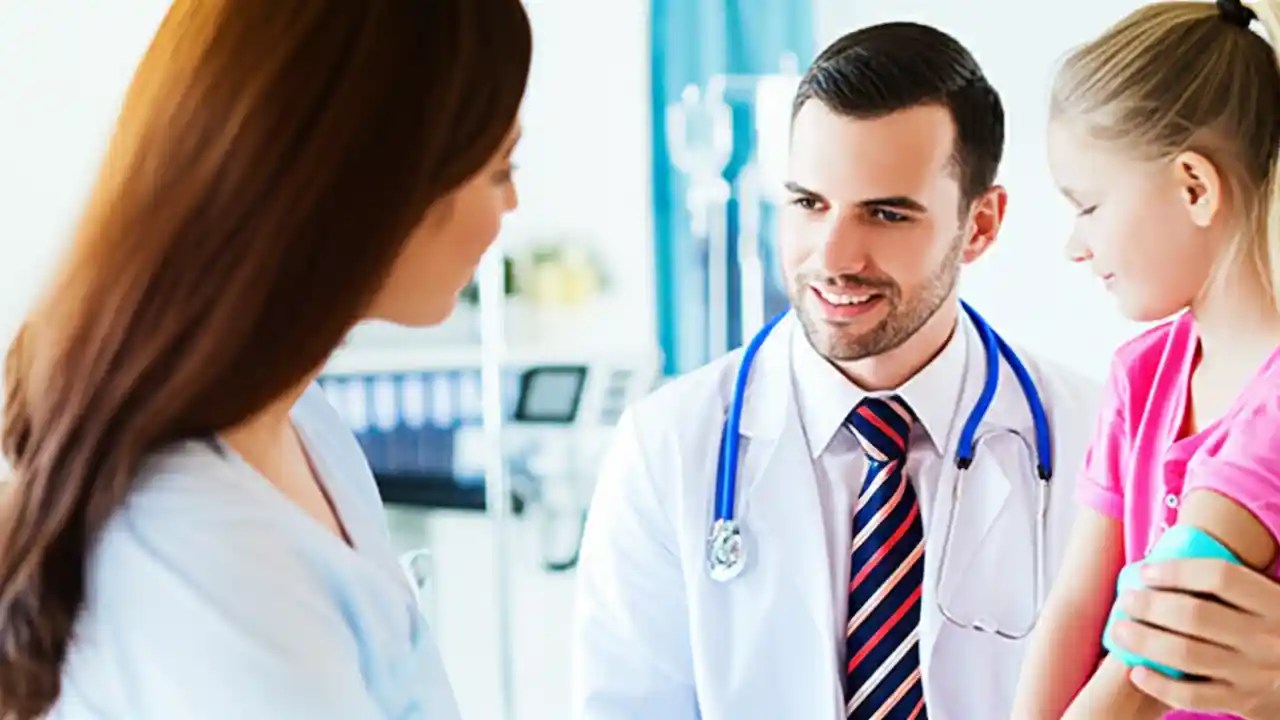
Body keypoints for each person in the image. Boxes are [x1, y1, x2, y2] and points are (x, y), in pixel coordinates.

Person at [0, 2, 530, 719]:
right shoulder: (199, 543)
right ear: (375, 184)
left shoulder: (307, 432)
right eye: (500, 169)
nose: (513, 204)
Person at [572, 22, 1103, 720]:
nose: (835, 256)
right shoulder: (667, 448)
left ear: (980, 225)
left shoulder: (1092, 437)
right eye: (808, 203)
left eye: (885, 214)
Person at [1012, 1, 1280, 719]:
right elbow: (1075, 607)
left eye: (1089, 207)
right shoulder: (1142, 374)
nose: (1075, 243)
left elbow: (1144, 660)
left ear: (1194, 187)